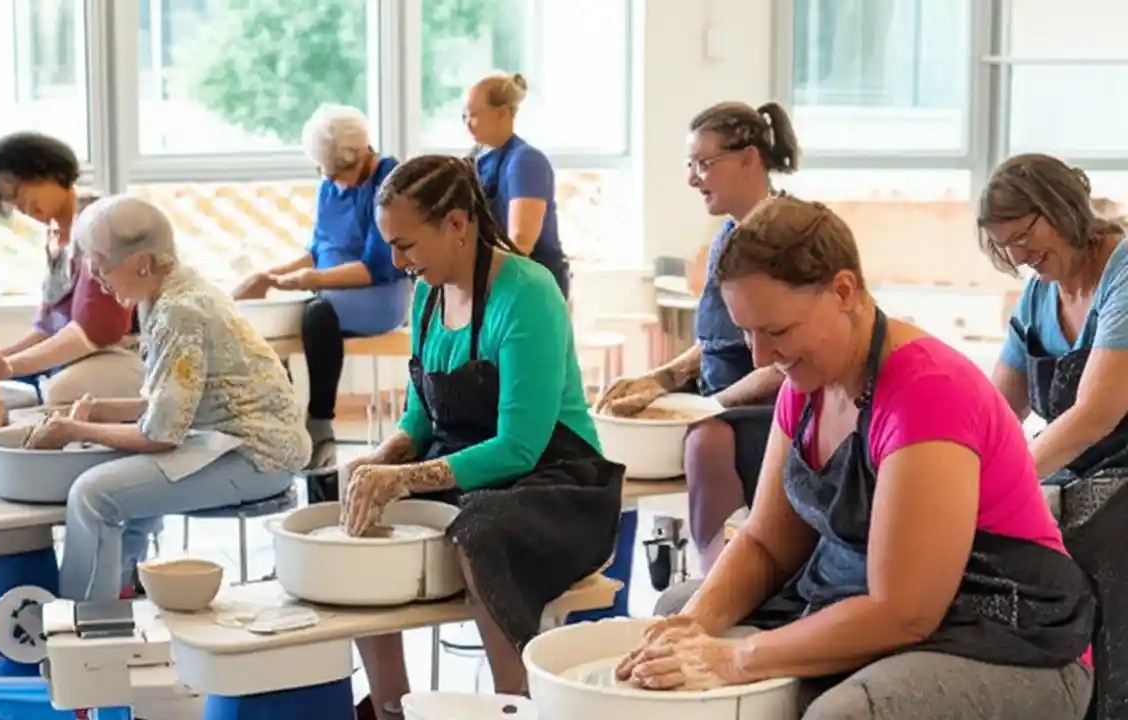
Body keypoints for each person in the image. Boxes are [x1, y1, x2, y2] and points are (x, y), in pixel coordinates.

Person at [626, 196, 1093, 719]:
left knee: (842, 714)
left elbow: (905, 613)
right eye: (747, 332)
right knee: (672, 619)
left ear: (843, 291)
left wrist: (737, 659)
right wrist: (695, 626)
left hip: (1002, 628)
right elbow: (766, 542)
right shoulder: (805, 383)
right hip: (868, 600)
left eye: (776, 331)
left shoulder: (926, 392)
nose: (759, 357)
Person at [339, 155, 623, 719]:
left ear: (456, 225)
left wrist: (403, 478)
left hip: (555, 478)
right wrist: (376, 462)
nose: (397, 262)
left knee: (482, 532)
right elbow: (421, 421)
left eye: (406, 245)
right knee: (345, 492)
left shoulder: (528, 292)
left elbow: (519, 445)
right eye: (390, 245)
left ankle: (512, 703)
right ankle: (392, 706)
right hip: (469, 466)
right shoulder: (426, 295)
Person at [25, 196, 311, 601]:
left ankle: (84, 623)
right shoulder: (169, 290)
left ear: (142, 261)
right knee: (119, 470)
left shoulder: (180, 310)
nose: (95, 274)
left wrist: (74, 428)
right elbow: (173, 400)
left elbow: (162, 434)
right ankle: (119, 590)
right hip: (229, 441)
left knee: (93, 494)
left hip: (257, 458)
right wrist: (105, 411)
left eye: (101, 261)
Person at [595, 101, 800, 575]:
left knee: (704, 439)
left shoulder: (789, 237)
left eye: (704, 164)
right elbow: (715, 342)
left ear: (749, 158)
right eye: (690, 164)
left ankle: (718, 580)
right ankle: (602, 598)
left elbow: (788, 362)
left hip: (775, 410)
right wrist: (658, 380)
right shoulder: (728, 235)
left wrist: (709, 407)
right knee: (607, 430)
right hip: (721, 398)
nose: (692, 178)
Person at [234, 104, 410, 486]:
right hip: (327, 290)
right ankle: (280, 421)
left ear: (360, 155)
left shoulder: (389, 182)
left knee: (316, 313)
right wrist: (270, 276)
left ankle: (320, 421)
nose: (334, 182)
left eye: (338, 173)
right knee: (271, 322)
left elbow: (376, 267)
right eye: (326, 174)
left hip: (379, 293)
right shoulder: (330, 185)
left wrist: (310, 279)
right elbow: (316, 249)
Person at [980, 154, 1128, 530]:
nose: (1016, 255)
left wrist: (997, 488)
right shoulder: (1037, 296)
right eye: (1004, 244)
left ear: (1063, 209)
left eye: (1022, 236)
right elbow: (996, 414)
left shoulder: (1122, 277)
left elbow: (1095, 415)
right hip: (1079, 474)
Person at [0, 132, 143, 404]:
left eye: (20, 190)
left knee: (60, 391)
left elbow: (98, 330)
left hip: (127, 353)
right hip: (84, 351)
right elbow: (49, 329)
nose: (21, 206)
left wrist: (9, 366)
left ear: (49, 170)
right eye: (12, 201)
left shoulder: (101, 222)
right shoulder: (55, 239)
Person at [464, 72, 569, 297]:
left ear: (501, 113)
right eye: (465, 115)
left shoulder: (526, 161)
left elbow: (520, 243)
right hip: (502, 281)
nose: (468, 123)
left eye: (474, 115)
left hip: (533, 288)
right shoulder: (477, 163)